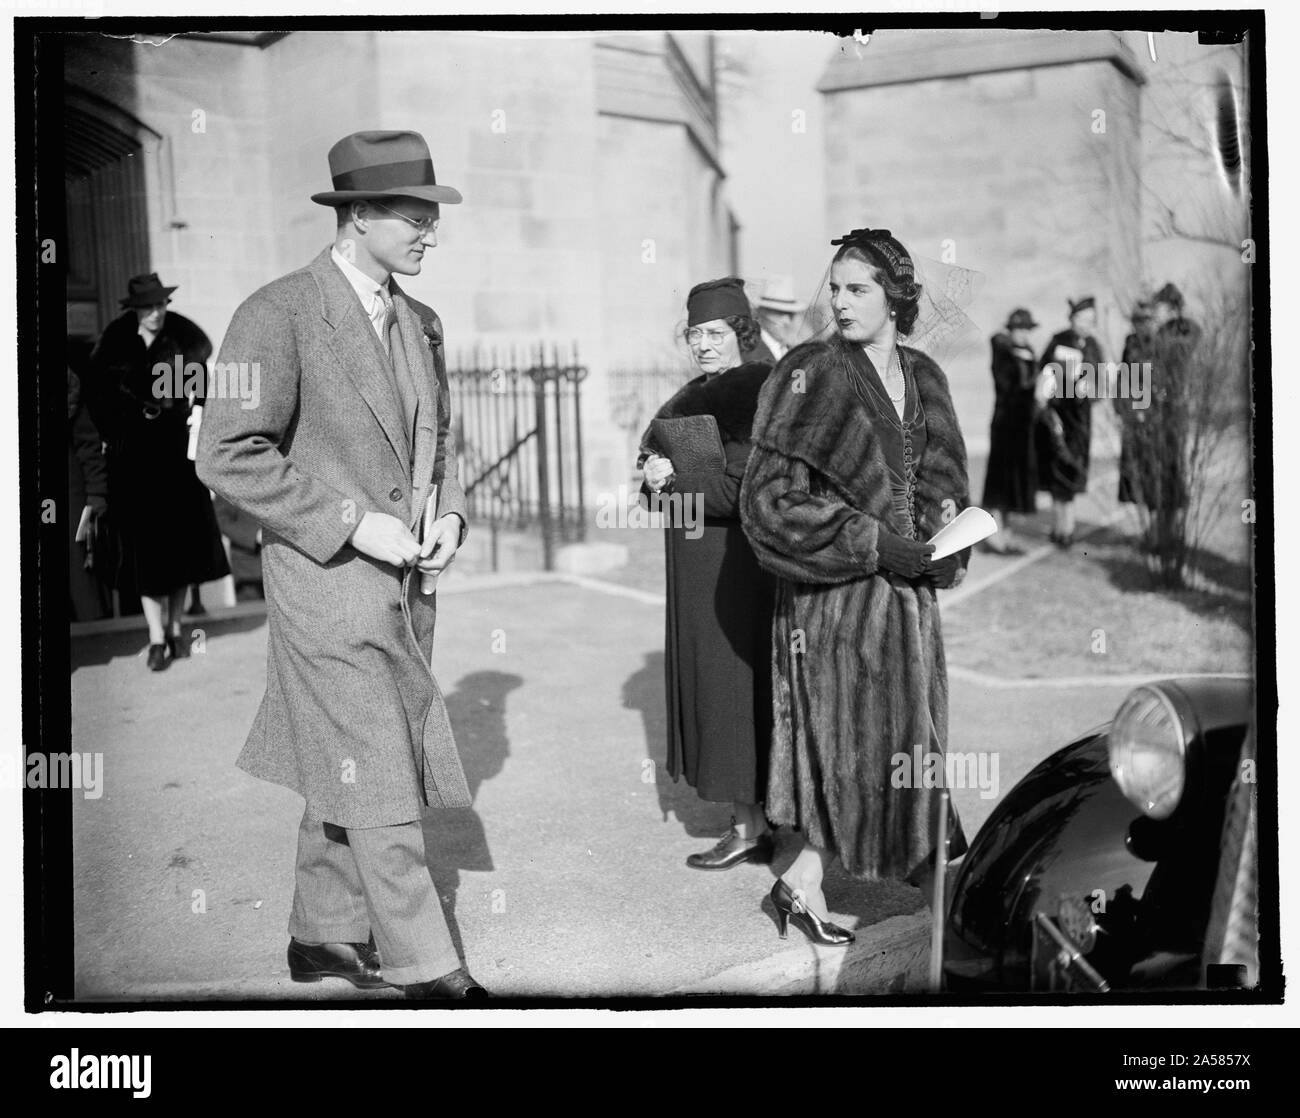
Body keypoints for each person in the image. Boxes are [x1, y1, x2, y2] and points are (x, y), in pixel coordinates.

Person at [197, 130, 485, 1000]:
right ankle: (428, 969)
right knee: (383, 770)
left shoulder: (422, 320)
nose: (430, 231)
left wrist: (452, 517)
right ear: (356, 217)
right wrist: (353, 524)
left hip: (406, 589)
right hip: (323, 585)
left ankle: (320, 937)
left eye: (433, 216)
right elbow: (226, 453)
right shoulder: (276, 311)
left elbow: (440, 445)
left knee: (352, 757)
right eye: (412, 216)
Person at [741, 228, 970, 946]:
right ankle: (952, 911)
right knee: (876, 751)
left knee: (890, 747)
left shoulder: (925, 377)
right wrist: (872, 542)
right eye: (834, 287)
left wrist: (944, 538)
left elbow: (946, 487)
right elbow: (767, 503)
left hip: (910, 608)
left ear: (896, 298)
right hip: (833, 606)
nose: (837, 302)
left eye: (857, 289)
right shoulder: (806, 373)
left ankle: (802, 882)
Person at [638, 277, 777, 869]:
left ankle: (756, 827)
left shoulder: (762, 392)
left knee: (738, 691)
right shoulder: (688, 396)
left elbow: (752, 487)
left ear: (743, 332)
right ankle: (749, 821)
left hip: (740, 571)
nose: (703, 344)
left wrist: (673, 482)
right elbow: (648, 471)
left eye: (715, 332)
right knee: (718, 691)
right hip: (694, 568)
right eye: (695, 333)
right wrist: (649, 476)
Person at [86, 274, 230, 669]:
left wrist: (196, 425)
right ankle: (155, 639)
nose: (156, 313)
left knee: (180, 546)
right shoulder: (114, 347)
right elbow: (98, 401)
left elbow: (203, 394)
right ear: (134, 309)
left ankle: (176, 629)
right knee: (146, 550)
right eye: (148, 307)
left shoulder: (185, 343)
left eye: (161, 305)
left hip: (173, 453)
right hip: (134, 457)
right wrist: (115, 433)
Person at [1119, 284, 1202, 547]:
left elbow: (1187, 340)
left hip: (1171, 417)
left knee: (1171, 474)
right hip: (1147, 418)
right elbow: (1129, 379)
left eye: (1163, 311)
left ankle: (1169, 535)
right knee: (1149, 476)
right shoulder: (1141, 341)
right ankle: (1156, 534)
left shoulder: (1183, 334)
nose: (1157, 318)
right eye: (1155, 312)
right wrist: (1132, 411)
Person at [1037, 296, 1105, 548]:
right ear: (1072, 319)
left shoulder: (1094, 346)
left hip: (1081, 419)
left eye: (1090, 321)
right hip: (1059, 415)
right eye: (1081, 319)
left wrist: (1090, 387)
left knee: (1075, 467)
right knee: (1057, 469)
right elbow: (1043, 371)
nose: (1085, 325)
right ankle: (1059, 526)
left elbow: (1100, 382)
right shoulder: (1058, 340)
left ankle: (1069, 526)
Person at [980, 308, 1040, 555]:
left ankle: (1006, 536)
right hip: (1005, 424)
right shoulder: (1004, 352)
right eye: (1020, 329)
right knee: (1000, 482)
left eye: (1027, 329)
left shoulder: (1028, 353)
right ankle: (995, 538)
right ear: (1011, 330)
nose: (1024, 334)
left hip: (1022, 426)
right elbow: (1009, 384)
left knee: (1014, 484)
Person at [67, 369, 111, 621]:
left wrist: (96, 494)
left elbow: (87, 444)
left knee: (79, 576)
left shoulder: (67, 384)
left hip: (69, 491)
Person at [754, 275, 807, 362]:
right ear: (762, 313)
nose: (787, 320)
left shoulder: (791, 349)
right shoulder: (753, 351)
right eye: (780, 313)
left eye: (791, 314)